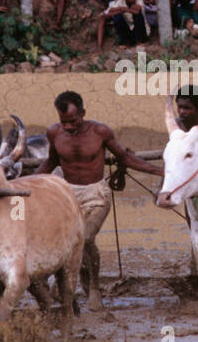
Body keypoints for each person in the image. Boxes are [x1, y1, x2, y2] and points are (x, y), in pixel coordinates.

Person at [43, 91, 163, 311]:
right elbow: (50, 163)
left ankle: (94, 289)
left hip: (96, 193)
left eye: (73, 121)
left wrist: (158, 171)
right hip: (68, 195)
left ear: (83, 113)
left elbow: (124, 158)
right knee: (65, 243)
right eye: (64, 122)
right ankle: (66, 286)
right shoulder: (53, 133)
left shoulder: (100, 131)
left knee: (86, 238)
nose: (68, 127)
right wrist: (24, 183)